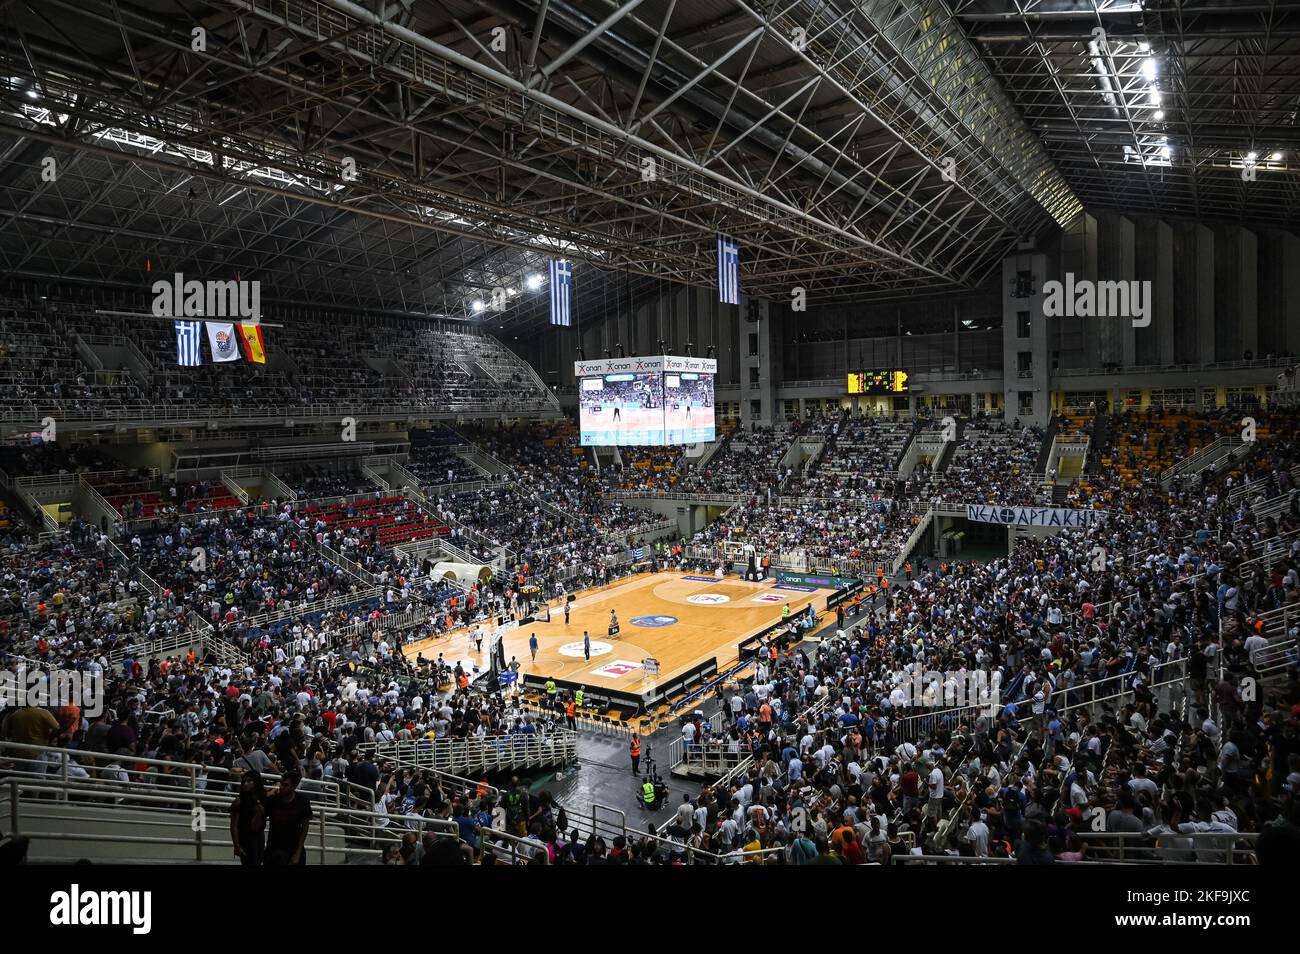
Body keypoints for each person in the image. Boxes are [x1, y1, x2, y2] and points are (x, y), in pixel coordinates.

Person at [264, 769, 313, 865]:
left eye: (285, 785)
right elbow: (258, 823)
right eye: (281, 784)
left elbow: (305, 827)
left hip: (293, 848)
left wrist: (298, 852)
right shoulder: (272, 800)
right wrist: (266, 797)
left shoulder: (302, 801)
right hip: (273, 849)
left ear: (294, 786)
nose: (281, 787)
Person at [230, 770, 267, 866]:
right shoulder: (238, 802)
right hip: (245, 839)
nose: (245, 784)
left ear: (256, 782)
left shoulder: (261, 800)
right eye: (243, 781)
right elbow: (233, 826)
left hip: (259, 838)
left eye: (249, 781)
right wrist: (236, 846)